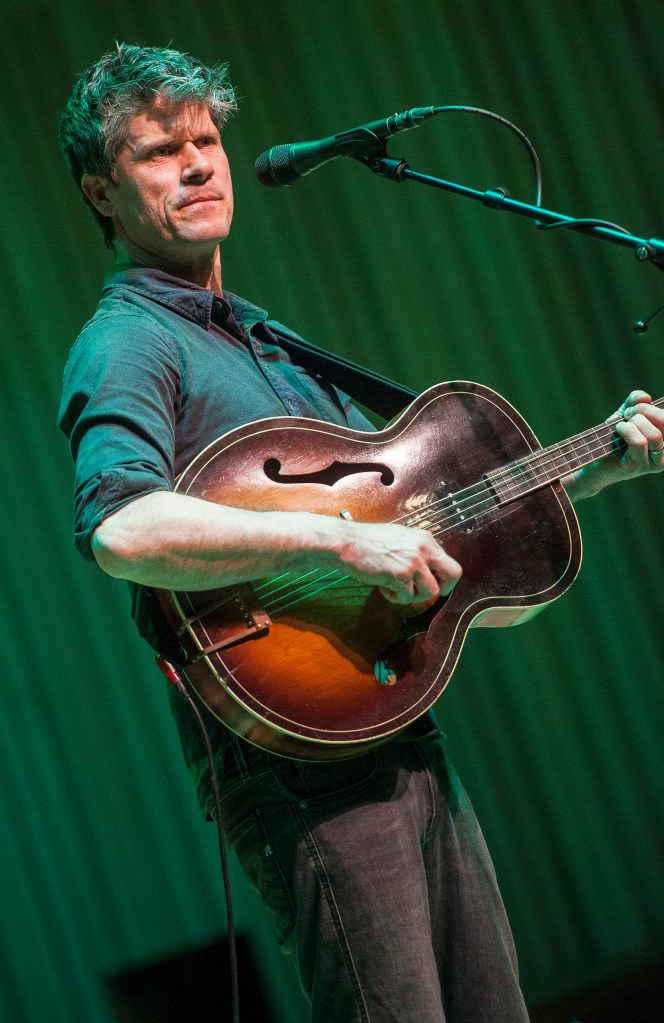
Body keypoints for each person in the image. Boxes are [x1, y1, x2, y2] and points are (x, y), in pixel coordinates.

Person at [57, 44, 663, 1023]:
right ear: (102, 192)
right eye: (161, 152)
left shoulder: (262, 342)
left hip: (394, 721)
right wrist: (338, 543)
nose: (199, 164)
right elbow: (122, 527)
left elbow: (429, 533)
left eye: (206, 140)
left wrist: (594, 471)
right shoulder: (130, 340)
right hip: (299, 774)